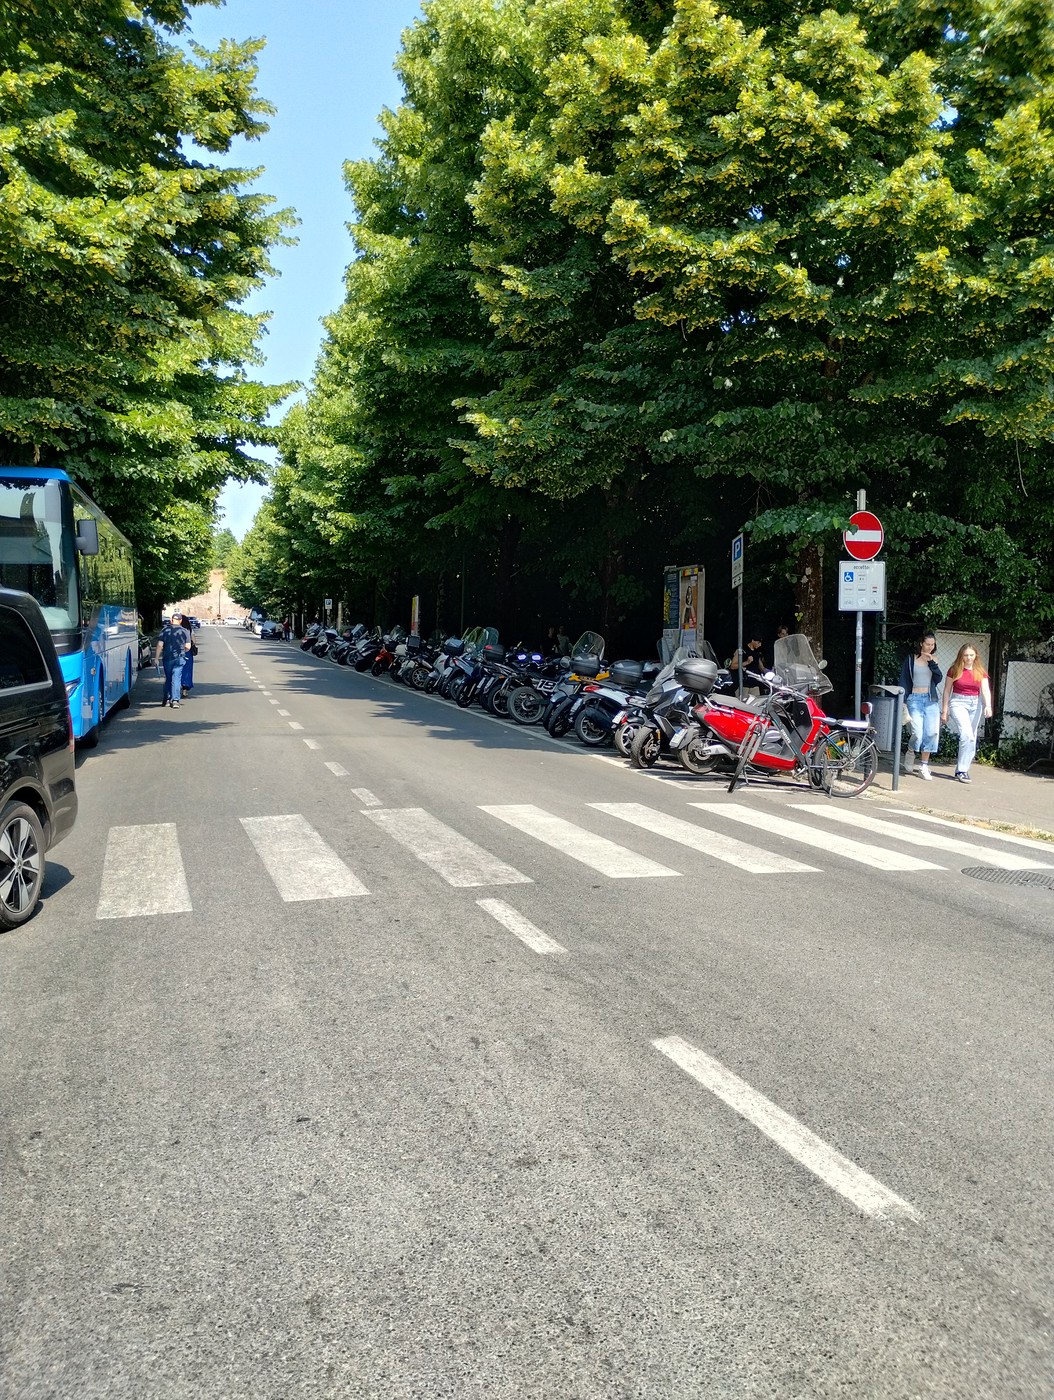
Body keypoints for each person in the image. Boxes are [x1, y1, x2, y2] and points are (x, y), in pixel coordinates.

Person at [942, 643, 993, 783]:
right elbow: (947, 690)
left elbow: (985, 690)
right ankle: (962, 771)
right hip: (958, 702)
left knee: (972, 738)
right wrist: (945, 710)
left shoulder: (980, 670)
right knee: (967, 735)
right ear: (961, 656)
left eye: (971, 655)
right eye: (966, 655)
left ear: (976, 655)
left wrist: (988, 705)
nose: (969, 658)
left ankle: (962, 768)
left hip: (975, 704)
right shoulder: (954, 670)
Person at [898, 631, 942, 780]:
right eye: (927, 644)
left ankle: (924, 765)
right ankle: (911, 750)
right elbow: (903, 679)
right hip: (914, 698)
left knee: (932, 733)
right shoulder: (911, 659)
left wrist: (931, 662)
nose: (930, 647)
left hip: (931, 700)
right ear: (921, 644)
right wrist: (903, 699)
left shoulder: (934, 659)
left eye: (932, 644)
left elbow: (938, 678)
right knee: (917, 732)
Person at [155, 611, 191, 708]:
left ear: (171, 620)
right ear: (180, 621)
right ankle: (175, 700)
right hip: (180, 657)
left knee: (168, 678)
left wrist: (156, 658)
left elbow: (160, 645)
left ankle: (166, 699)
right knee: (176, 678)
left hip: (167, 657)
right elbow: (188, 646)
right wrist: (182, 650)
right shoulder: (185, 631)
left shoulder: (165, 630)